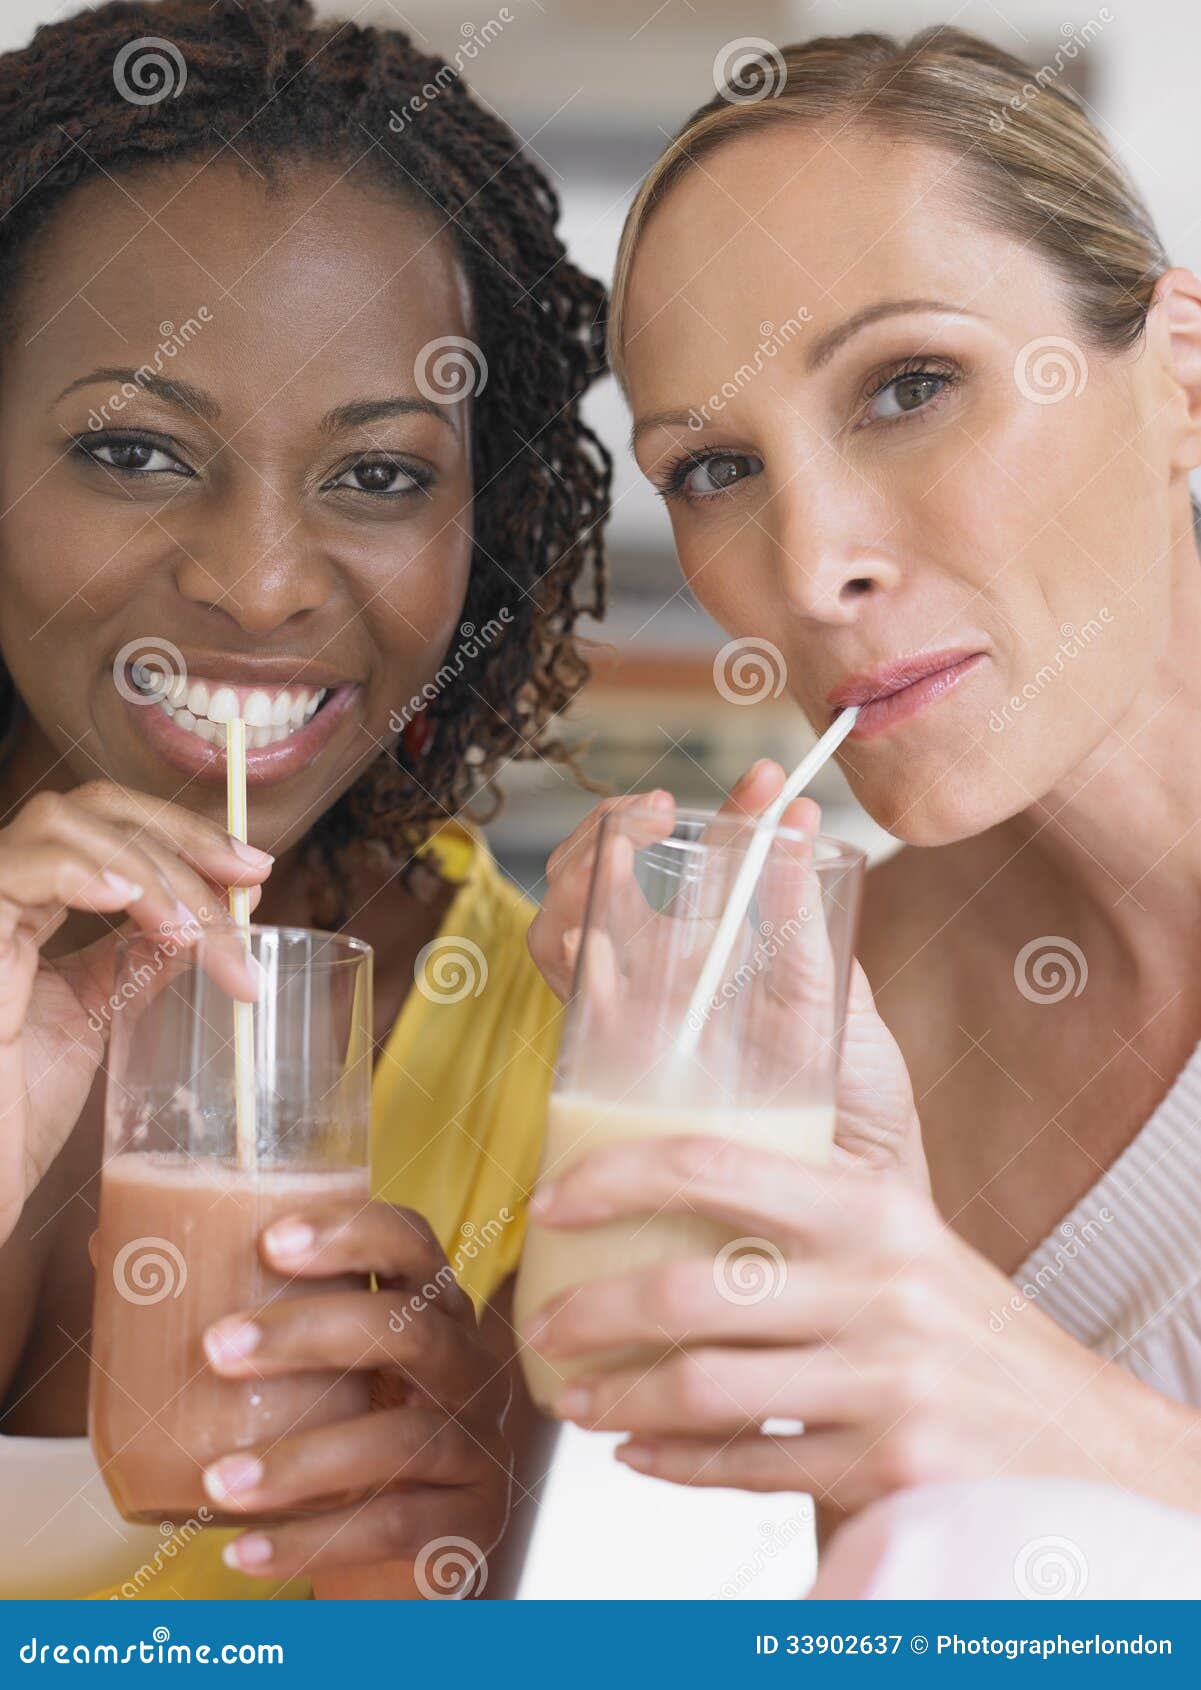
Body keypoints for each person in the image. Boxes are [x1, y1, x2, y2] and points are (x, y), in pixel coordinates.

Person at [525, 25, 1201, 1586]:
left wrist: (1038, 1407)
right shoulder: (802, 1029)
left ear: (1174, 371)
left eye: (910, 384)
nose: (809, 565)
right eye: (710, 469)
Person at [0, 0, 608, 1600]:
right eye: (133, 448)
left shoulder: (571, 1066)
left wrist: (498, 1579)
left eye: (381, 474)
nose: (261, 585)